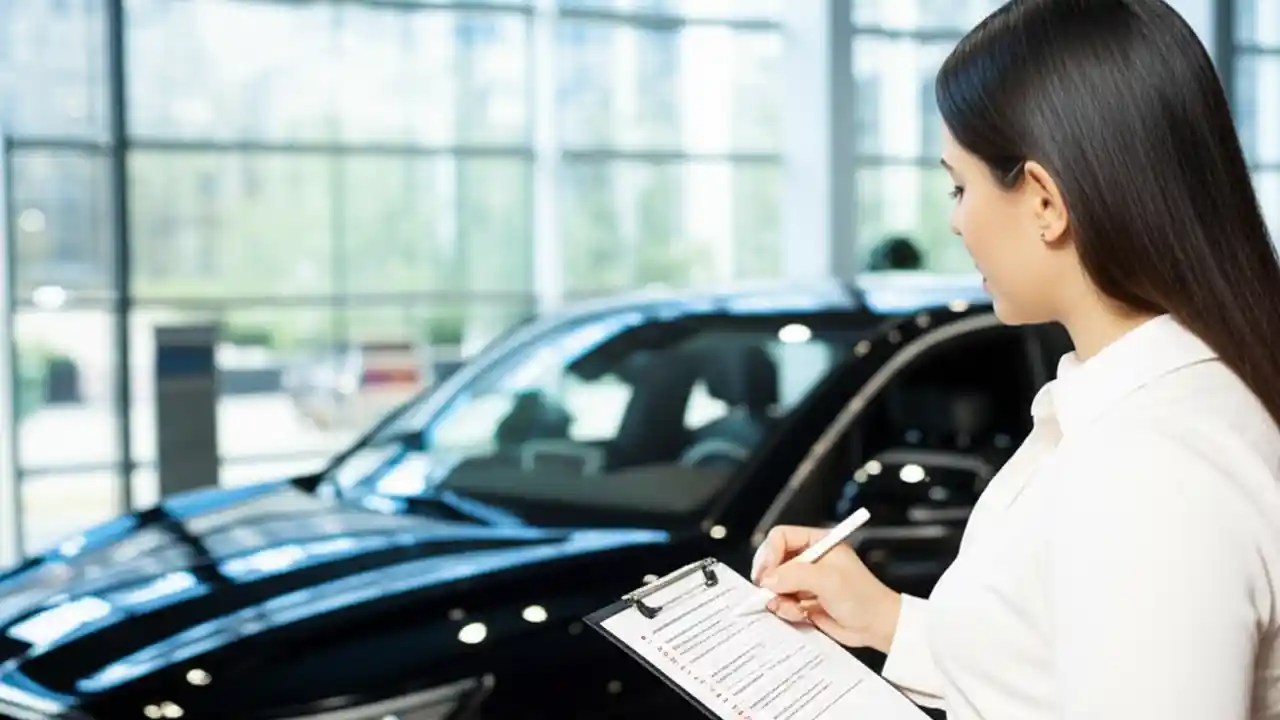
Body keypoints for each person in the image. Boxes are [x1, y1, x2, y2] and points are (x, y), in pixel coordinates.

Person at [751, 1, 1280, 718]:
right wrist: (883, 619)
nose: (955, 221)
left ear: (1044, 202)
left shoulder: (1150, 467)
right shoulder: (1157, 409)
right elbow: (1055, 671)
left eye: (960, 185)